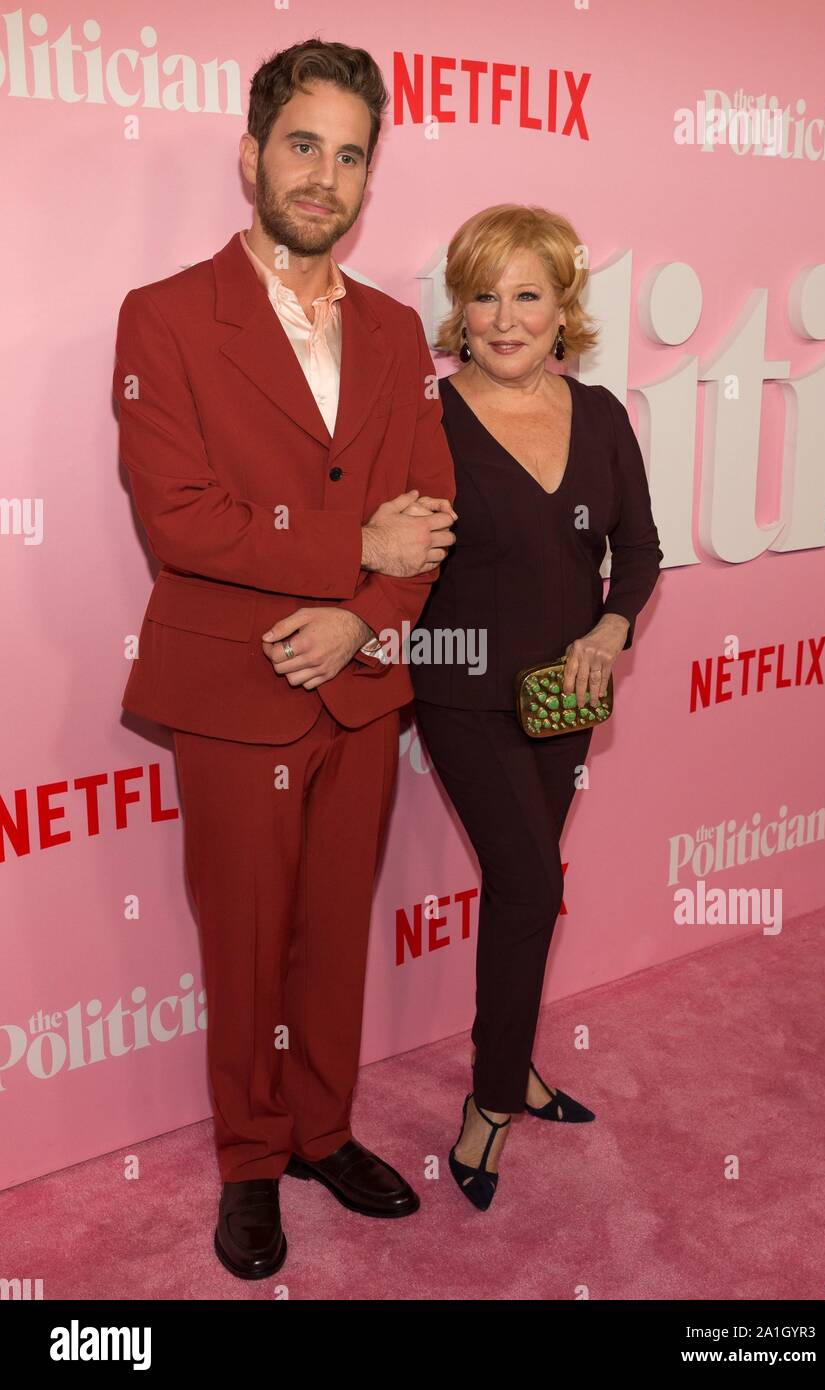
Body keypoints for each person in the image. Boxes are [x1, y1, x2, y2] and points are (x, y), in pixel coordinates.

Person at [112, 37, 456, 1278]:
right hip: (229, 688)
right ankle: (249, 1162)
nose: (323, 174)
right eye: (302, 144)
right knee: (245, 937)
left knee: (333, 931)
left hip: (360, 686)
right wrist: (345, 549)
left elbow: (428, 513)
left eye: (349, 153)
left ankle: (321, 1130)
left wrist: (362, 613)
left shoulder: (397, 326)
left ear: (369, 177)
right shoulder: (161, 317)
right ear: (252, 154)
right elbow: (181, 517)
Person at [411, 204, 663, 1209]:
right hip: (458, 686)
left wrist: (611, 630)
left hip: (565, 695)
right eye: (483, 294)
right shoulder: (423, 419)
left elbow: (636, 549)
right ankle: (489, 1102)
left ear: (564, 307)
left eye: (528, 293)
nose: (504, 317)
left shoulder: (599, 415)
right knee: (527, 885)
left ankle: (508, 1062)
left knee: (522, 898)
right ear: (458, 309)